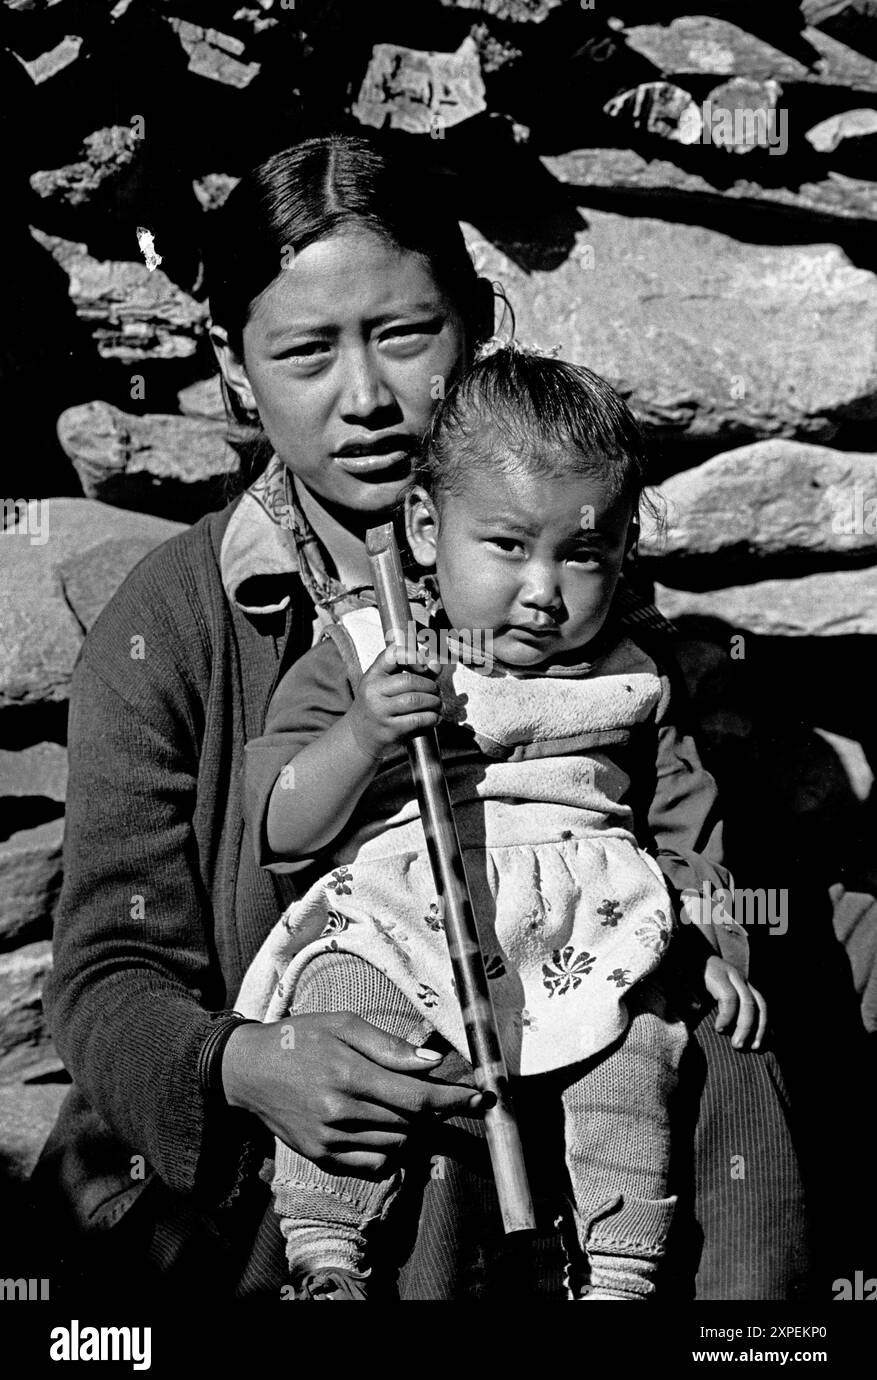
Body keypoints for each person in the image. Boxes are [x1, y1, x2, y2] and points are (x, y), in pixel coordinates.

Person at [36, 133, 810, 1300]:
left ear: (478, 320)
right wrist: (245, 1062)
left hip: (567, 1033)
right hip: (302, 1120)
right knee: (427, 1104)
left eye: (407, 336)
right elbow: (110, 969)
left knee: (720, 1058)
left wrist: (707, 945)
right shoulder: (178, 619)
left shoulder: (571, 587)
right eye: (304, 352)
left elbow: (672, 819)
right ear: (232, 366)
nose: (366, 399)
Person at [236, 347, 768, 1300]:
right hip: (410, 922)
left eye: (583, 554)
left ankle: (620, 1270)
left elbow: (688, 836)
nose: (544, 589)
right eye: (509, 545)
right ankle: (324, 1254)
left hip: (580, 931)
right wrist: (364, 734)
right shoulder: (370, 656)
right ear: (428, 527)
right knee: (348, 1006)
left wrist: (711, 938)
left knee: (641, 1044)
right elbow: (281, 825)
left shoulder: (633, 679)